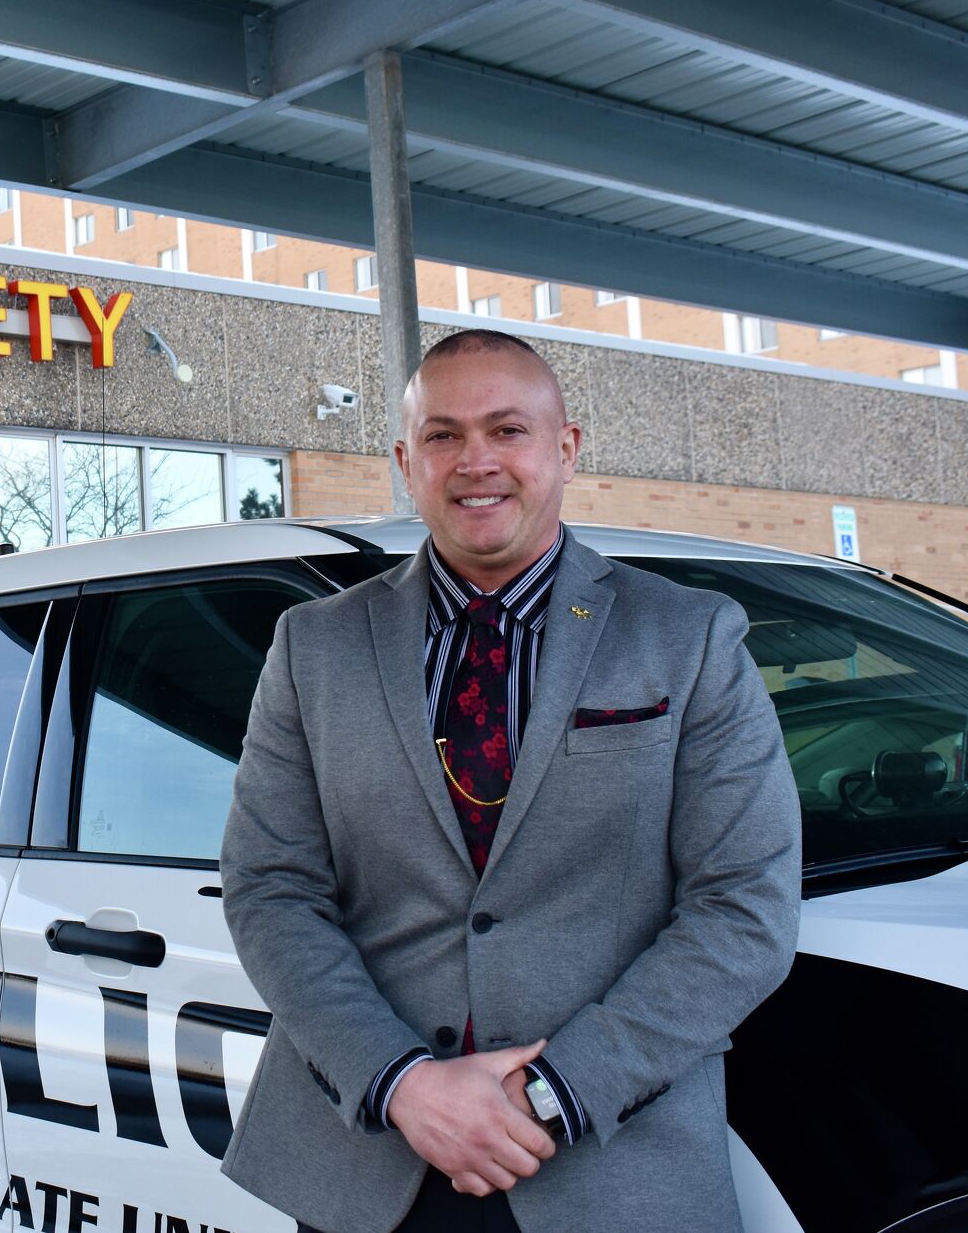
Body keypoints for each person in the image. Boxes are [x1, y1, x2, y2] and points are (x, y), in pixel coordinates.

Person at [220, 330, 801, 1233]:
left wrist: (551, 1092)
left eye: (507, 429)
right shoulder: (314, 645)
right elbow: (271, 888)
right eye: (443, 435)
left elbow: (745, 904)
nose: (476, 461)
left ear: (566, 448)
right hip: (373, 1166)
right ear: (406, 463)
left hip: (610, 1167)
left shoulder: (689, 637)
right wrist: (401, 1083)